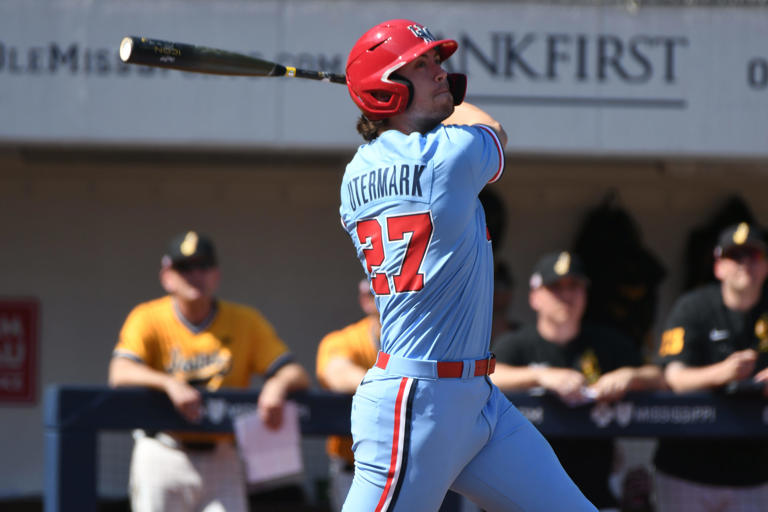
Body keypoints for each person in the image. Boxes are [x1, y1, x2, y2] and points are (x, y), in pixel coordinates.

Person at [339, 19, 596, 511]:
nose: (441, 73)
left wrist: (405, 102)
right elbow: (492, 129)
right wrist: (447, 106)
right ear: (385, 90)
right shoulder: (447, 157)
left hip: (476, 399)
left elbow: (408, 145)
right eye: (420, 65)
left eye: (437, 61)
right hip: (417, 402)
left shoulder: (354, 176)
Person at [108, 230, 311, 512]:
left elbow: (295, 372)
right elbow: (119, 371)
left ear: (216, 274)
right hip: (164, 450)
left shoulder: (245, 321)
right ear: (167, 276)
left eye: (203, 266)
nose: (195, 275)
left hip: (222, 453)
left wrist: (276, 385)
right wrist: (168, 383)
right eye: (184, 267)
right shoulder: (147, 317)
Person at [491, 251, 664, 511]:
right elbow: (487, 377)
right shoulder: (517, 343)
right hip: (524, 494)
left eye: (574, 286)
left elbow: (660, 377)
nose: (566, 295)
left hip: (593, 494)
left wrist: (628, 377)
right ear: (534, 297)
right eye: (555, 288)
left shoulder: (606, 341)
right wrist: (542, 376)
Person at [653, 222, 768, 512]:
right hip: (688, 466)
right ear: (718, 266)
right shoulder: (693, 306)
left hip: (756, 472)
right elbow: (673, 377)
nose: (745, 265)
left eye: (753, 256)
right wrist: (724, 373)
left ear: (765, 265)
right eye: (735, 257)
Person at [316, 278, 381, 511]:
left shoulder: (424, 338)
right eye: (374, 293)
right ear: (365, 299)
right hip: (354, 470)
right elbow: (336, 374)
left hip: (416, 468)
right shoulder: (346, 340)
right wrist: (398, 390)